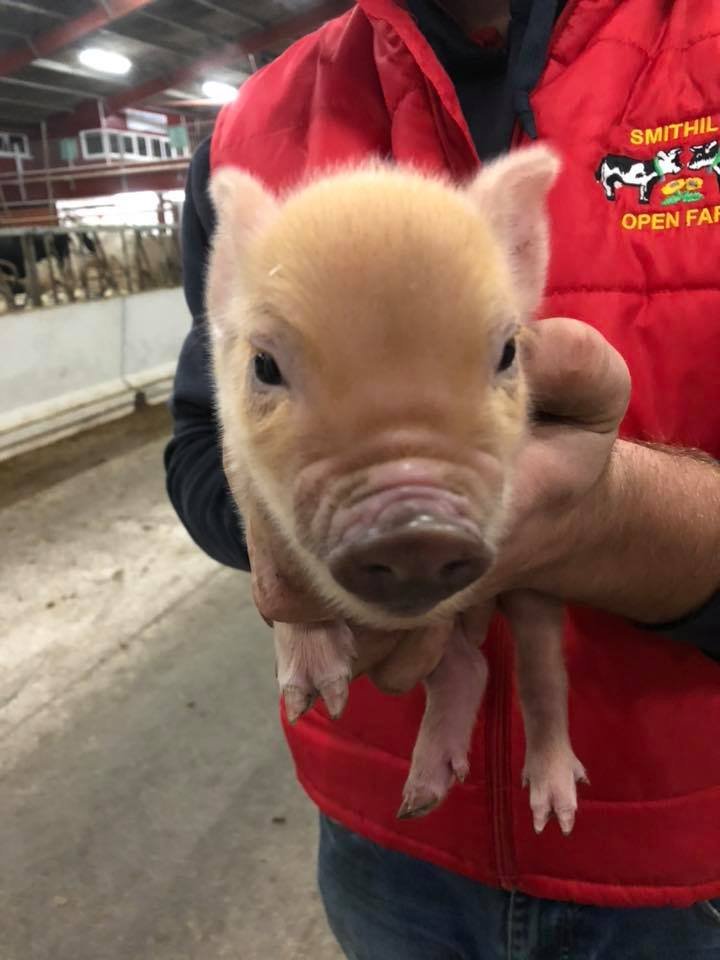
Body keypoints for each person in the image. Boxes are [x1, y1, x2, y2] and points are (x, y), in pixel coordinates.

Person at [164, 1, 720, 956]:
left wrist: (611, 518)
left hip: (684, 863)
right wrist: (286, 542)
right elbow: (198, 435)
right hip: (385, 851)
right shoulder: (251, 126)